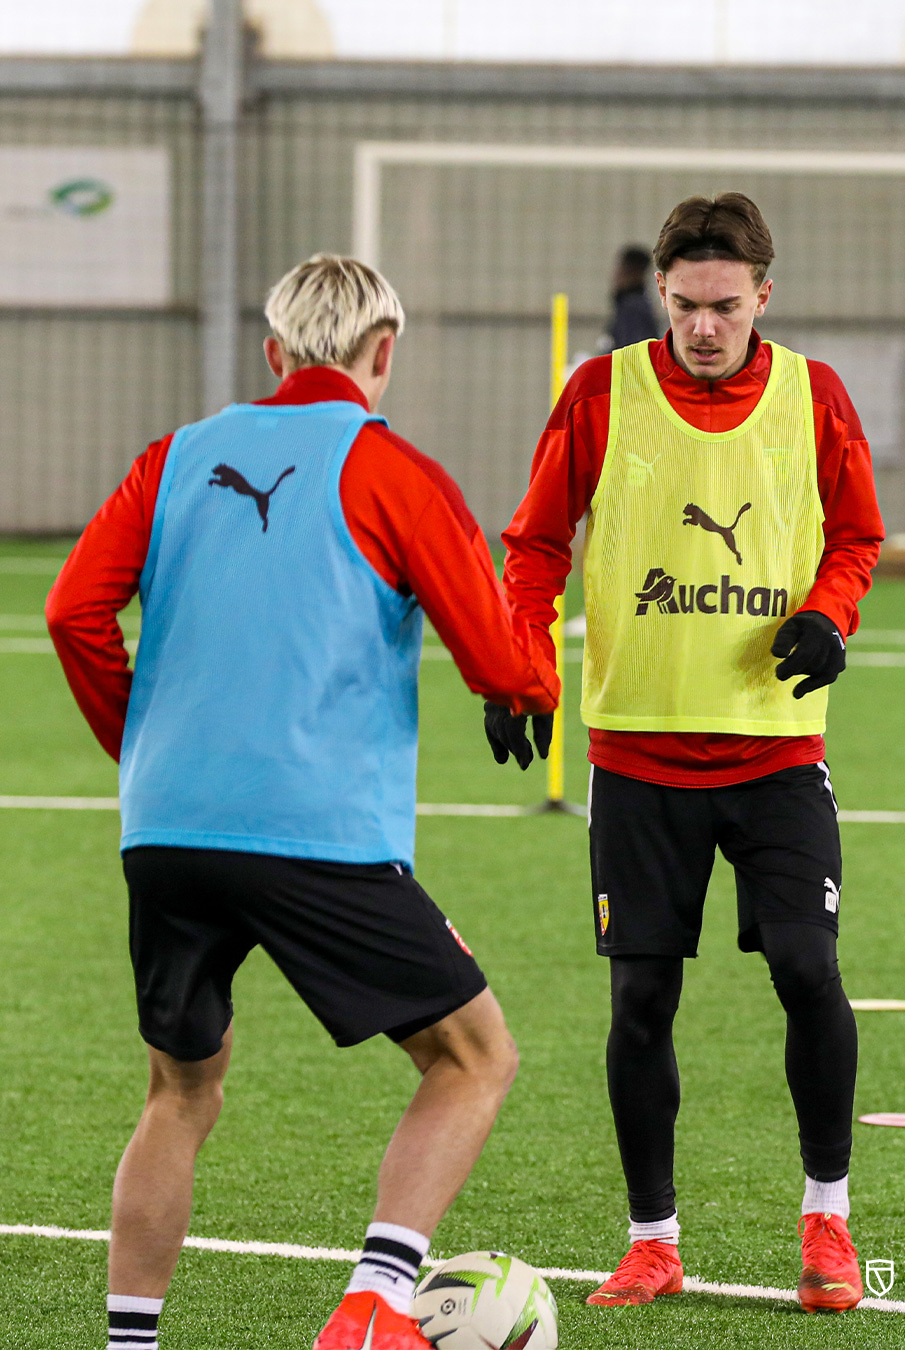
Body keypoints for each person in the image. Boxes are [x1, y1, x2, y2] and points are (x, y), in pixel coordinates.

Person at [46, 254, 558, 1350]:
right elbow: (501, 662)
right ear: (384, 355)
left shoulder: (173, 458)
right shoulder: (393, 471)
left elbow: (72, 613)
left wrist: (142, 749)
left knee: (178, 1095)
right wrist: (530, 684)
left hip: (168, 830)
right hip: (317, 832)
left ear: (274, 355)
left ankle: (127, 1343)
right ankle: (373, 1308)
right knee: (473, 1058)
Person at [485, 193, 883, 1314]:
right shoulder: (601, 393)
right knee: (641, 1002)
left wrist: (829, 616)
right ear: (660, 294)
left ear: (765, 293)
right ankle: (653, 1241)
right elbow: (535, 542)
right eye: (685, 305)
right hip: (640, 760)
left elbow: (855, 535)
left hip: (775, 752)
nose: (704, 327)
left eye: (725, 305)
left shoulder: (817, 397)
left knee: (809, 971)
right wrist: (520, 667)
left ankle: (828, 1223)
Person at [599, 245, 663, 352]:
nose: (615, 275)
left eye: (620, 269)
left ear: (633, 273)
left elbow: (631, 352)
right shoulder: (631, 305)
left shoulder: (633, 308)